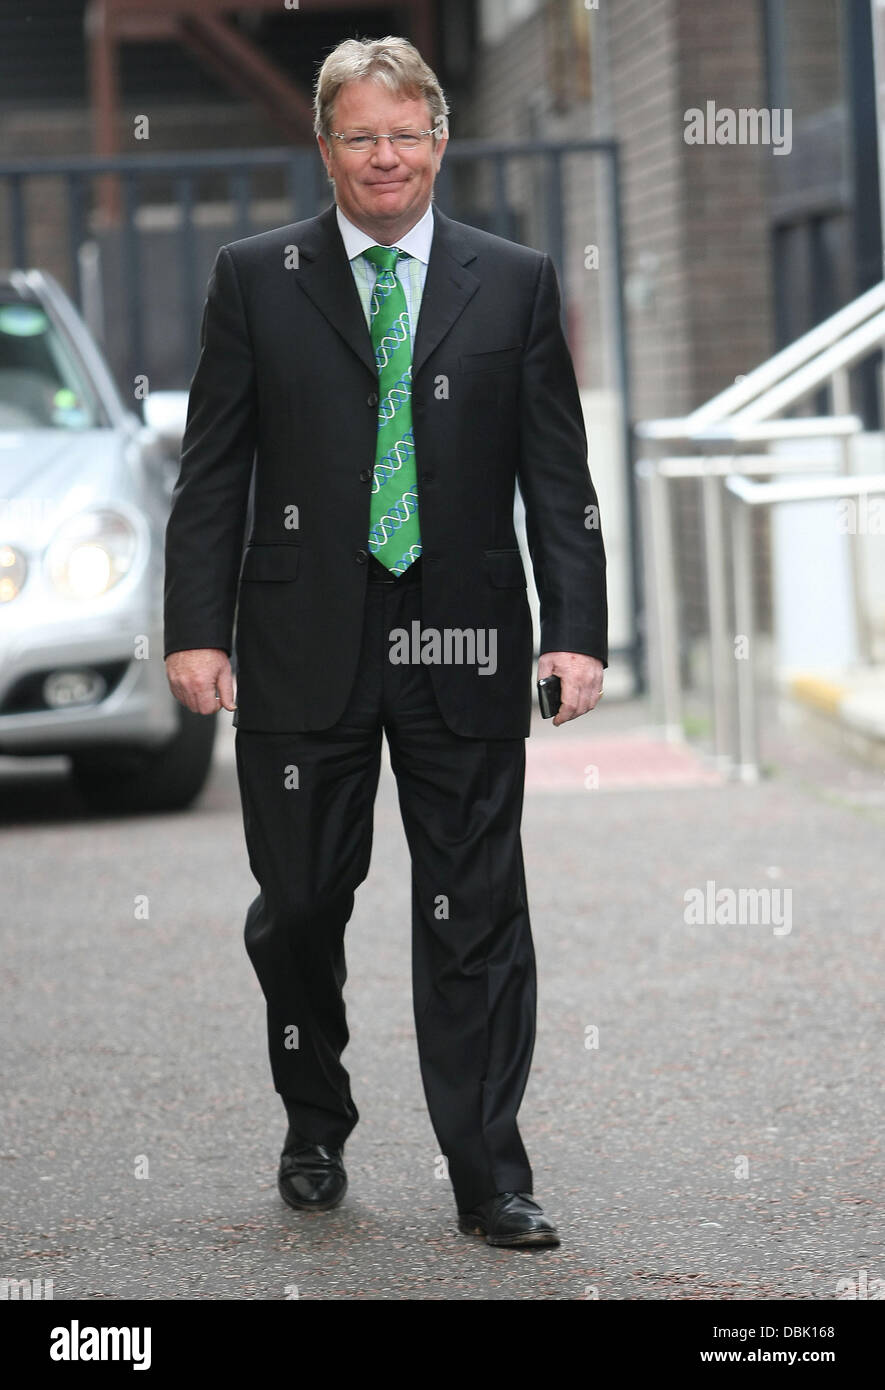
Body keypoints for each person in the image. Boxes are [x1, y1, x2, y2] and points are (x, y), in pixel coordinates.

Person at [164, 34, 607, 1249]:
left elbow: (555, 476)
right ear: (325, 147)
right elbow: (213, 473)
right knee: (301, 901)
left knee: (476, 910)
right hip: (304, 643)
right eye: (360, 135)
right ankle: (317, 1113)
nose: (385, 157)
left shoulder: (509, 280)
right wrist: (196, 628)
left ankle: (487, 1175)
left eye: (405, 133)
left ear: (440, 142)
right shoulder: (258, 276)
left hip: (464, 639)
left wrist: (575, 633)